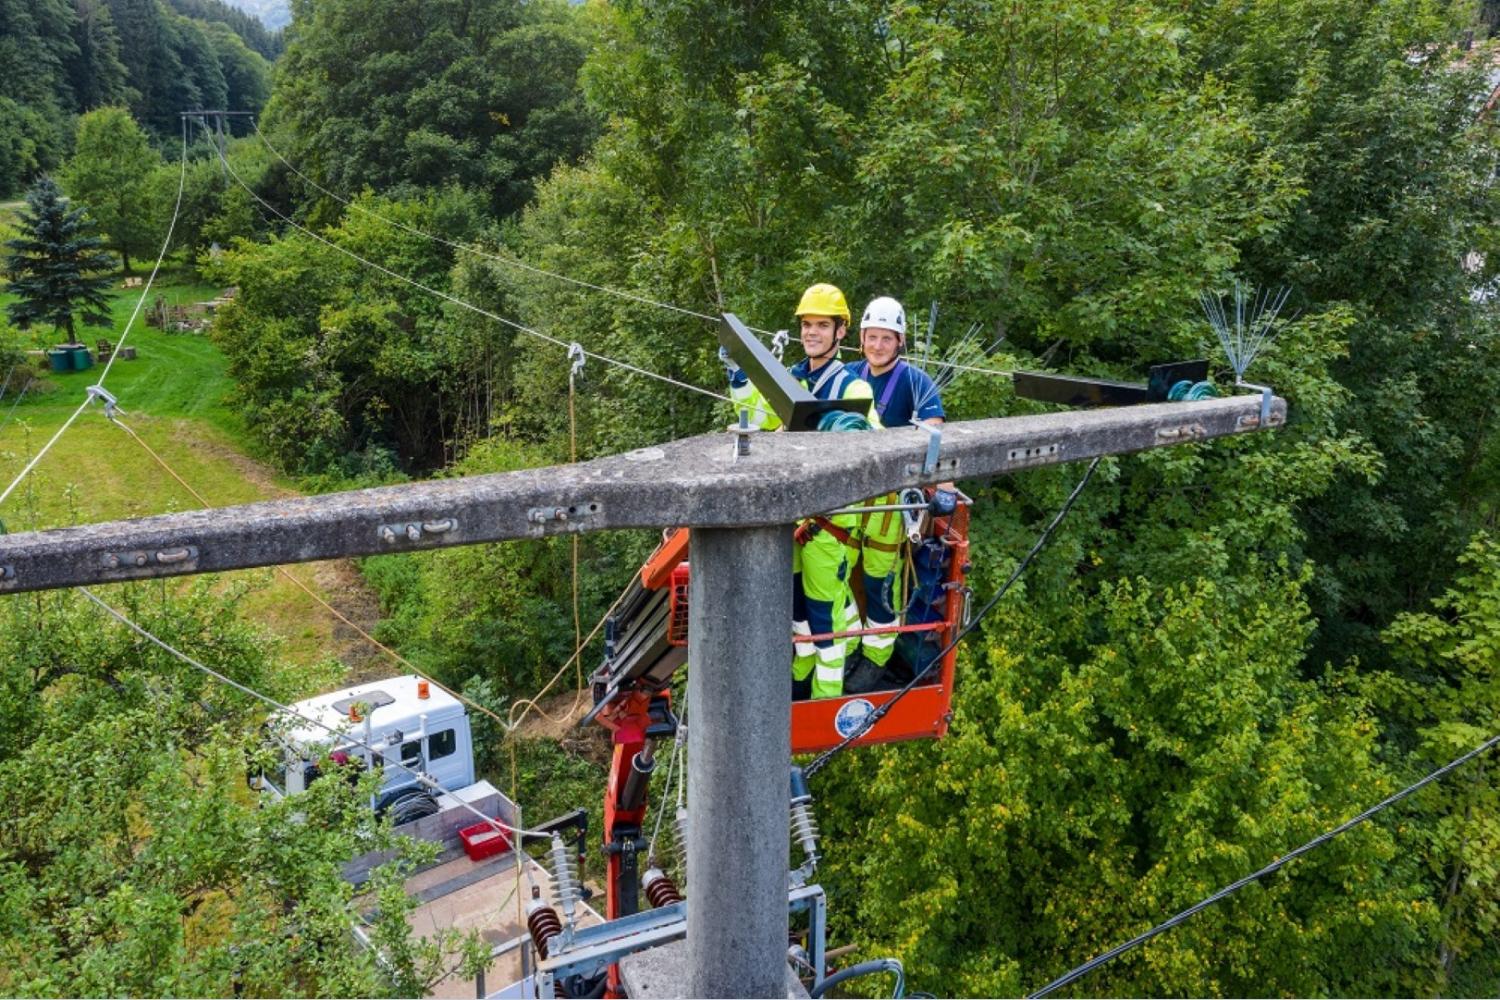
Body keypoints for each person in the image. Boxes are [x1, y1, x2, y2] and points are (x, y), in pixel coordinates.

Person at [721, 283, 876, 700]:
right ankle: (798, 678)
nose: (811, 333)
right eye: (807, 325)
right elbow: (755, 415)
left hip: (830, 527)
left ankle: (826, 701)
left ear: (841, 332)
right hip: (796, 520)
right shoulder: (792, 379)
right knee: (799, 617)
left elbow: (875, 443)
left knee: (825, 629)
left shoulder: (852, 388)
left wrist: (849, 428)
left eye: (822, 325)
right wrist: (740, 376)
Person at [845, 297, 946, 688]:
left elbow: (934, 439)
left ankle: (876, 658)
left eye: (886, 338)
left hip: (891, 506)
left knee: (881, 585)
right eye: (872, 337)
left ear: (899, 341)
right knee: (841, 580)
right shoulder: (850, 374)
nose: (877, 346)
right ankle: (852, 647)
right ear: (862, 338)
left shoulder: (916, 383)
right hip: (851, 501)